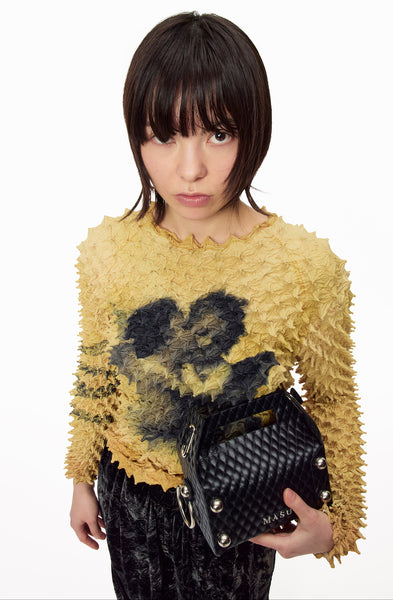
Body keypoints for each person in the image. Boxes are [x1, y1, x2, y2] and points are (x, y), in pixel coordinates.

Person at [66, 12, 366, 600]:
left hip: (242, 501)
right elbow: (98, 366)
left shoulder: (304, 267)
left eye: (219, 134)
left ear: (255, 128)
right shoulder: (108, 250)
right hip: (130, 503)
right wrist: (80, 477)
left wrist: (338, 525)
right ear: (137, 137)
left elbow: (333, 403)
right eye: (164, 136)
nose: (191, 169)